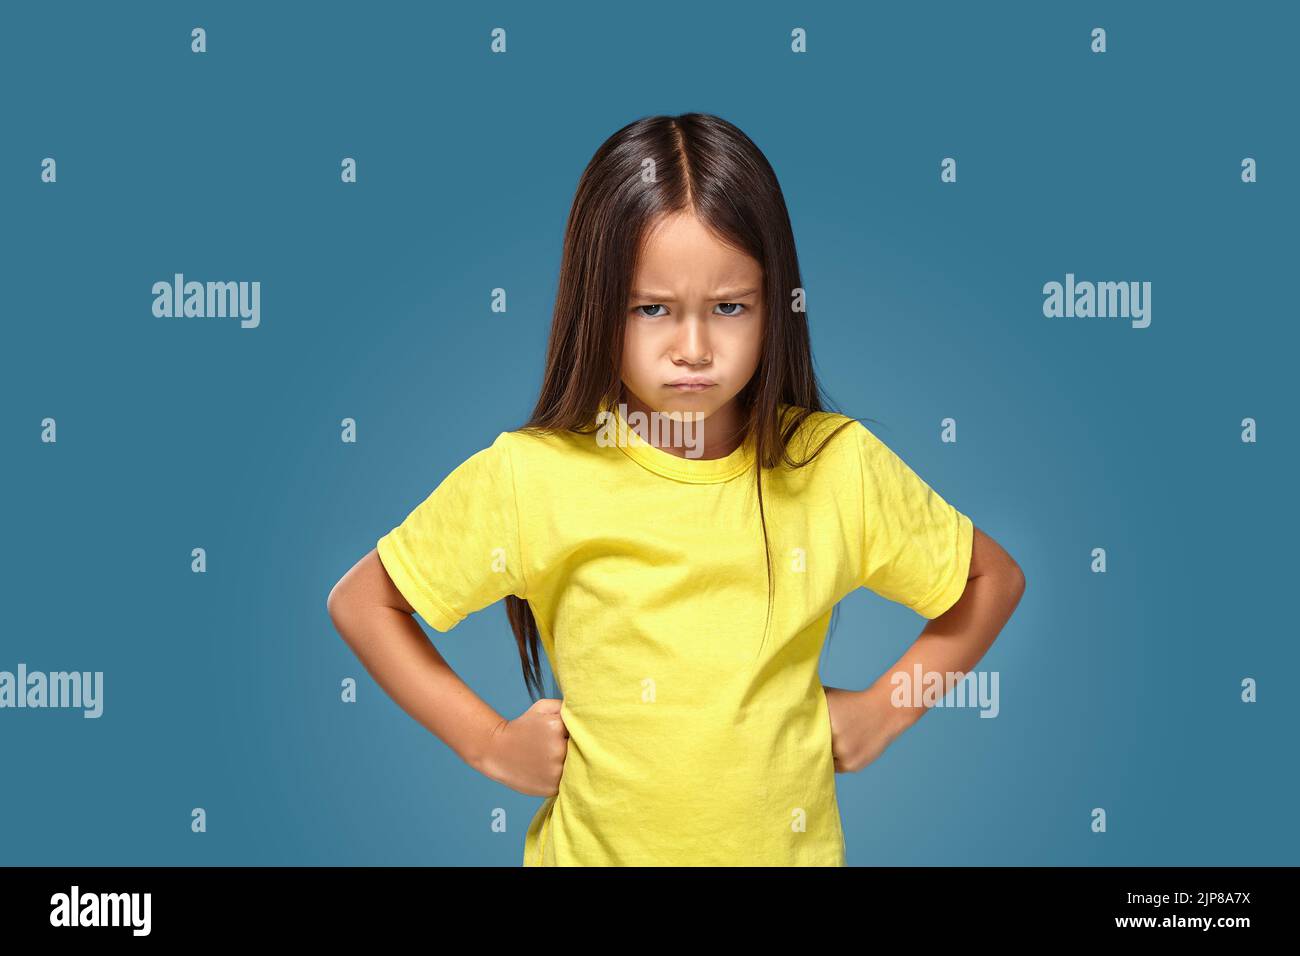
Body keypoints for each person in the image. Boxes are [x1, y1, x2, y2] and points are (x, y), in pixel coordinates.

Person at [326, 113, 1025, 866]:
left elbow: (992, 577)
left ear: (774, 304)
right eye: (651, 308)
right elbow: (364, 600)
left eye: (729, 307)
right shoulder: (534, 477)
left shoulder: (834, 467)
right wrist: (490, 744)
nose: (693, 350)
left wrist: (886, 711)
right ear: (598, 304)